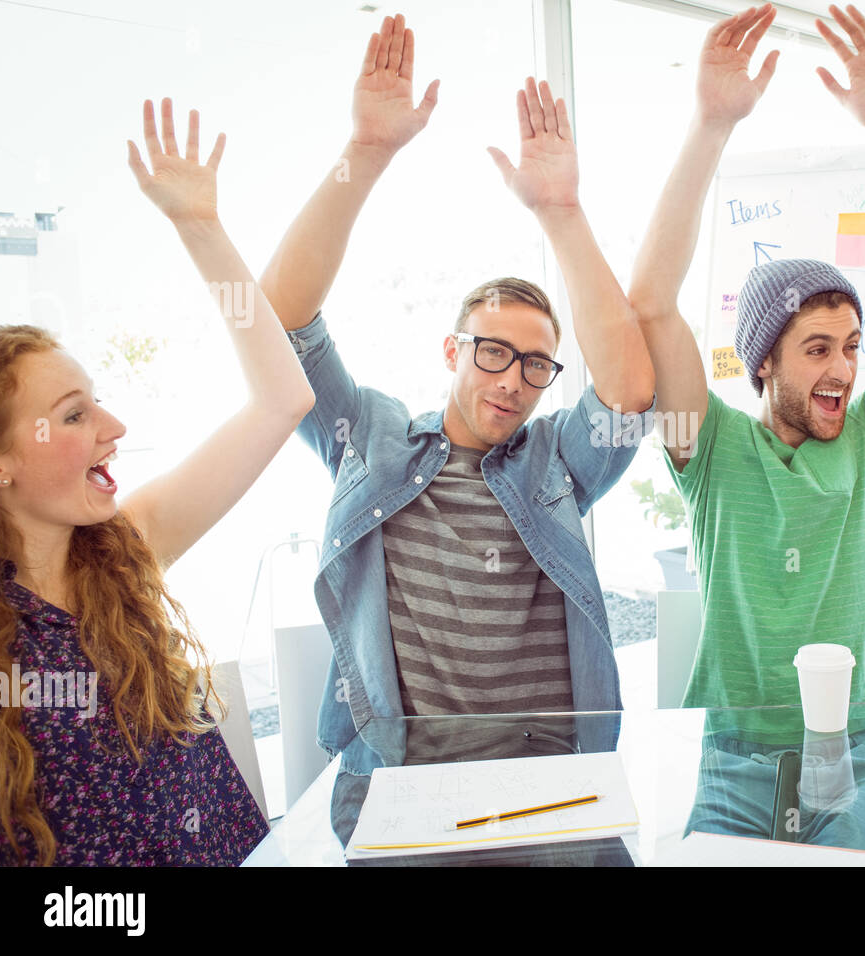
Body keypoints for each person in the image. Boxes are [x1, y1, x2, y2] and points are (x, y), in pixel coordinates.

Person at [256, 15, 654, 844]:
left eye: (538, 365)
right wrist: (364, 153)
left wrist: (563, 210)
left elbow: (629, 387)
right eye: (494, 352)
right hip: (404, 783)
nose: (513, 381)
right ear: (453, 348)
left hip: (551, 780)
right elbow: (281, 318)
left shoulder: (556, 461)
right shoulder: (374, 434)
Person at [629, 5, 865, 710]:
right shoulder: (710, 448)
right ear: (763, 361)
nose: (845, 370)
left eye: (852, 347)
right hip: (738, 754)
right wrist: (710, 126)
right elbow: (650, 303)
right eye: (818, 349)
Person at [0, 100, 316, 865]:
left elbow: (283, 401)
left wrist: (200, 228)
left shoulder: (125, 547)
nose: (113, 428)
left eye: (97, 401)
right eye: (73, 416)